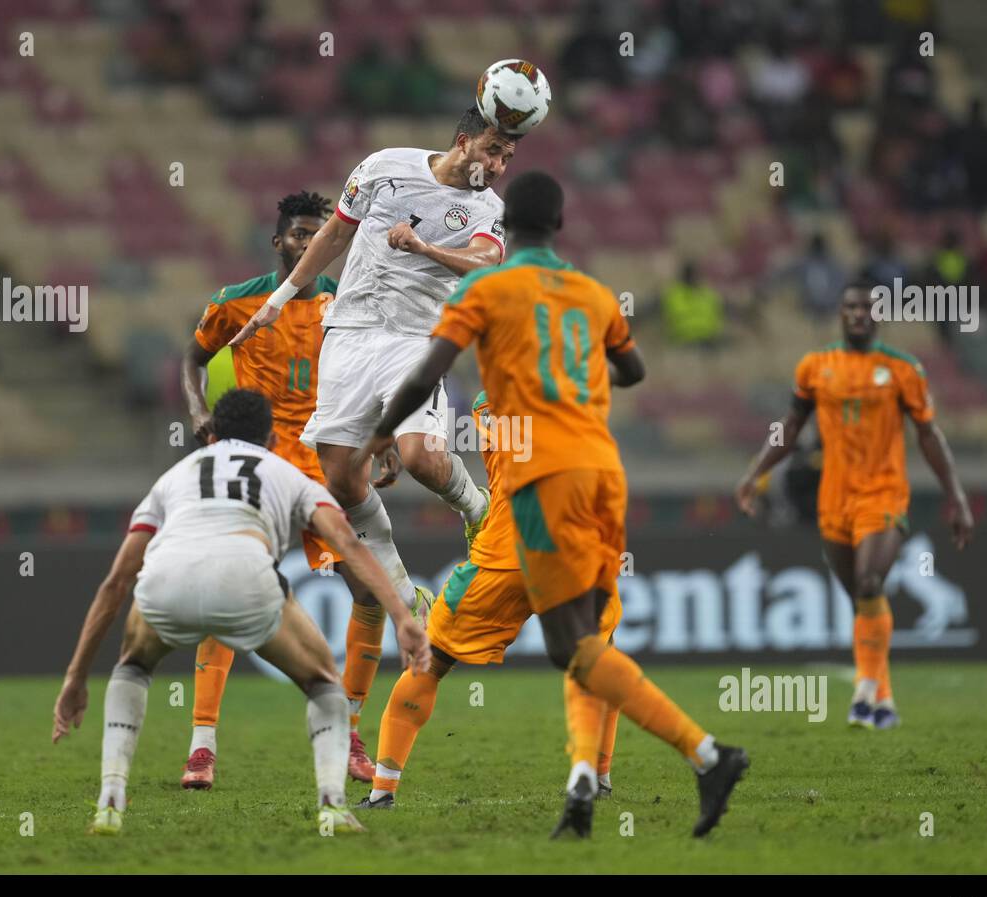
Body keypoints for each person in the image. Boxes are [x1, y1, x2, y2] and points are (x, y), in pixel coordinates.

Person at [356, 170, 750, 839]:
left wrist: (380, 435)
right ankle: (589, 783)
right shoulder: (593, 294)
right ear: (560, 227)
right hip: (604, 473)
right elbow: (634, 371)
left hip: (545, 485)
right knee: (585, 646)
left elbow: (428, 371)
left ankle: (708, 755)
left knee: (548, 649)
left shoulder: (488, 289)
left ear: (503, 228)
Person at [227, 107, 512, 754]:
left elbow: (482, 266)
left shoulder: (490, 210)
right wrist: (276, 304)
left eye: (507, 159)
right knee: (339, 477)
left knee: (418, 455)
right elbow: (332, 236)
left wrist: (422, 247)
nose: (496, 167)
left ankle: (476, 509)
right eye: (492, 150)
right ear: (464, 139)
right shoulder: (383, 168)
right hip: (349, 333)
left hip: (418, 339)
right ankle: (403, 590)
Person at [51, 390, 430, 835]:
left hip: (168, 579)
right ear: (271, 440)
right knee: (324, 684)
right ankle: (332, 807)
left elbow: (115, 583)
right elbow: (348, 543)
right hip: (246, 580)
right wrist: (402, 616)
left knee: (132, 668)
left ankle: (110, 800)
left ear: (210, 435)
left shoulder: (173, 477)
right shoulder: (286, 474)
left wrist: (76, 677)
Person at [181, 191, 389, 787]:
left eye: (317, 236)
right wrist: (198, 411)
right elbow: (191, 360)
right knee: (229, 591)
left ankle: (350, 732)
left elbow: (375, 377)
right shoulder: (238, 302)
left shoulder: (346, 304)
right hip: (261, 465)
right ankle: (202, 746)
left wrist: (387, 438)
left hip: (327, 464)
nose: (308, 244)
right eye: (298, 234)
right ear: (279, 242)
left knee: (368, 592)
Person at [360, 392, 624, 809]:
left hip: (504, 555)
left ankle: (382, 792)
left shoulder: (489, 401)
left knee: (430, 664)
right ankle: (598, 778)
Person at [736, 283, 974, 729]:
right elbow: (789, 427)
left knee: (868, 582)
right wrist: (755, 473)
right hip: (835, 500)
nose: (858, 313)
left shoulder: (903, 369)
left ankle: (864, 694)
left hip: (883, 494)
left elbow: (928, 435)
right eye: (850, 306)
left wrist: (956, 495)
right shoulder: (815, 367)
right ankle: (883, 700)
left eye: (866, 306)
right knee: (861, 599)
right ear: (840, 314)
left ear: (878, 314)